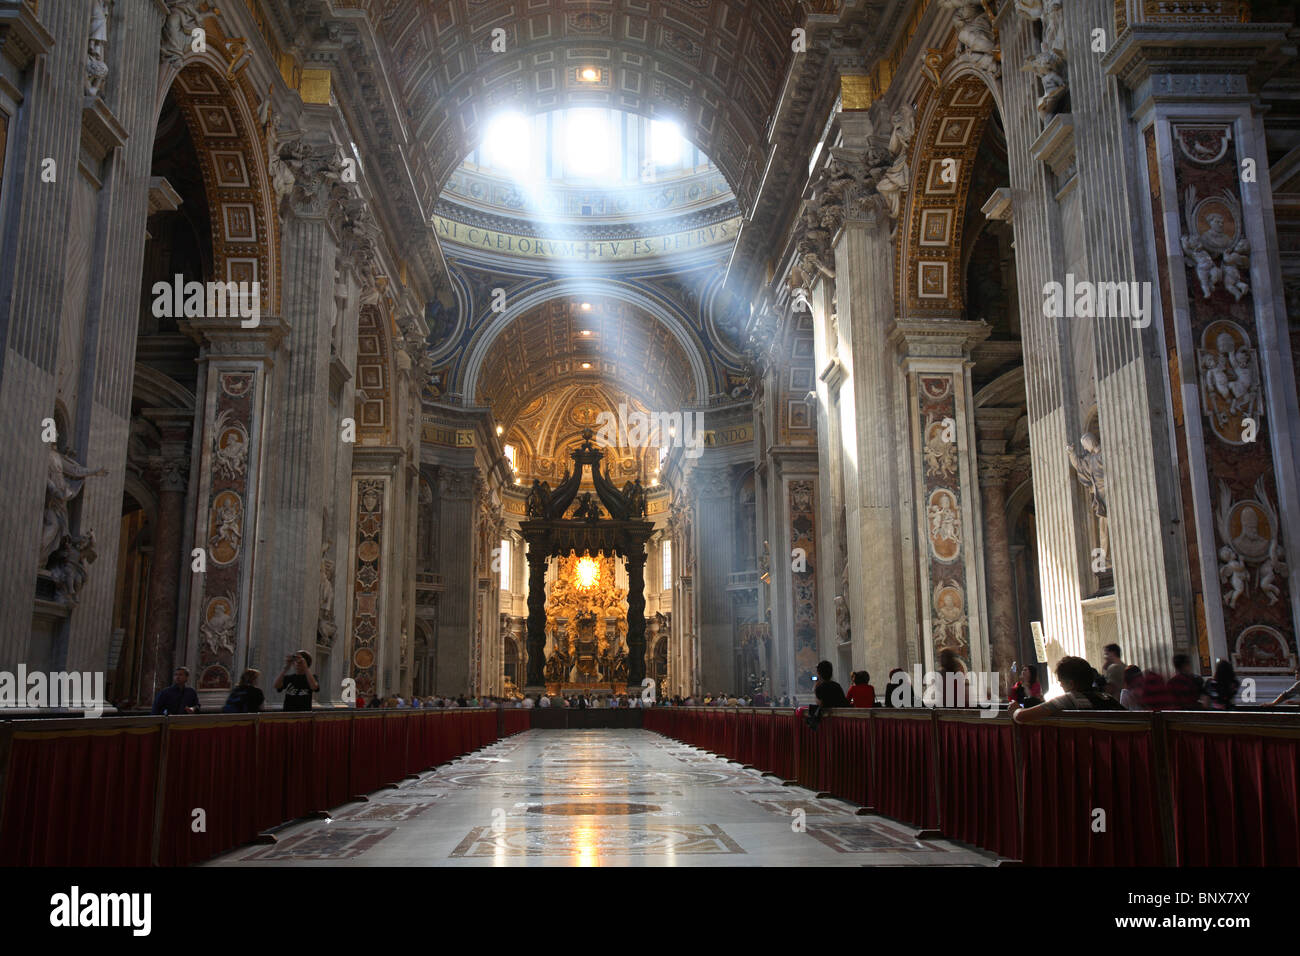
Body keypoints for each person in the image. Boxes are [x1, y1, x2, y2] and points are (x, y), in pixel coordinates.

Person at [1008, 655, 1123, 722]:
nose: (1061, 685)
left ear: (1071, 684)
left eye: (1061, 682)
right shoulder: (1106, 697)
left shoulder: (1070, 698)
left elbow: (1022, 717)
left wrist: (1016, 710)